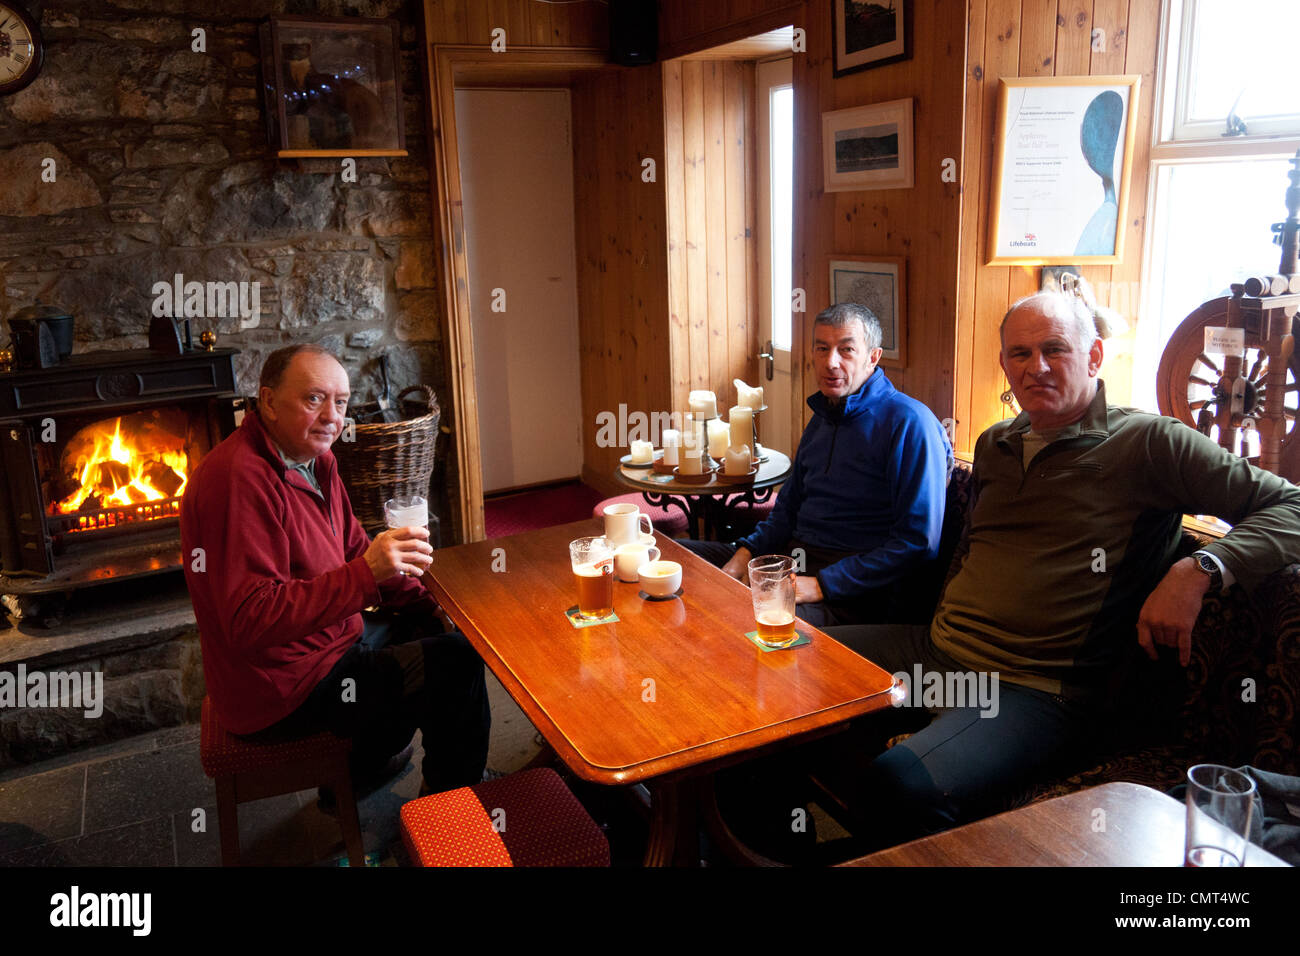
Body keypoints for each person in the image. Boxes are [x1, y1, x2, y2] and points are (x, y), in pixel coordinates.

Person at [823, 283, 1300, 851]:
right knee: (779, 666)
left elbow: (1290, 505)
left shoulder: (1150, 442)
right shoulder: (997, 443)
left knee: (898, 784)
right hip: (936, 652)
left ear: (1095, 355)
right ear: (1004, 364)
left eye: (1056, 350)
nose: (1037, 367)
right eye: (1020, 355)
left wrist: (1199, 568)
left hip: (1038, 690)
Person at [181, 344, 490, 797]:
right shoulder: (237, 480)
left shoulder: (316, 461)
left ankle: (362, 767)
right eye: (313, 399)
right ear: (267, 402)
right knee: (458, 663)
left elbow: (351, 548)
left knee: (432, 626)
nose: (332, 416)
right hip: (285, 689)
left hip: (327, 641)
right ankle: (450, 814)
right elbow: (250, 620)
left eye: (340, 402)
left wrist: (434, 603)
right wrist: (367, 573)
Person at [682, 302, 952, 626]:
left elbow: (917, 544)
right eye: (822, 348)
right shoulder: (824, 414)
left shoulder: (910, 423)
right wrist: (742, 557)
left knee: (737, 623)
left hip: (856, 595)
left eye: (846, 350)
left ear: (874, 356)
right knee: (674, 560)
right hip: (792, 564)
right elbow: (785, 512)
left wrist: (822, 585)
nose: (830, 362)